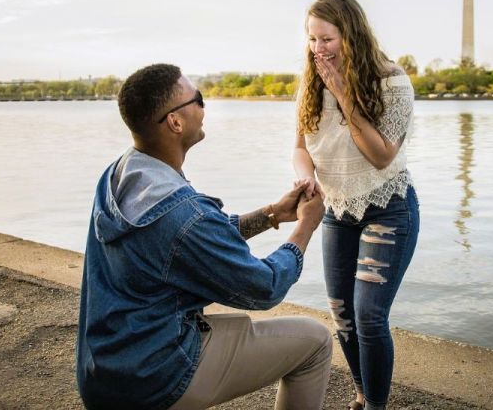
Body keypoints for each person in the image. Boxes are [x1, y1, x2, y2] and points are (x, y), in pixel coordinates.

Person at [76, 63, 332, 410]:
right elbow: (264, 287)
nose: (204, 106)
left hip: (105, 371)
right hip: (153, 379)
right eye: (197, 99)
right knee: (315, 341)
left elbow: (187, 243)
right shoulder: (182, 214)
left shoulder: (120, 175)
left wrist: (273, 214)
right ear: (175, 122)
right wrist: (306, 226)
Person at [293, 0, 420, 410]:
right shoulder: (310, 84)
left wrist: (345, 94)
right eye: (312, 40)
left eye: (326, 39)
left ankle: (376, 407)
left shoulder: (392, 81)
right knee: (342, 315)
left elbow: (381, 155)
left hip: (389, 208)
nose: (318, 50)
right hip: (338, 211)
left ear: (351, 34)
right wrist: (305, 178)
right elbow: (300, 147)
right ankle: (365, 394)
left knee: (368, 315)